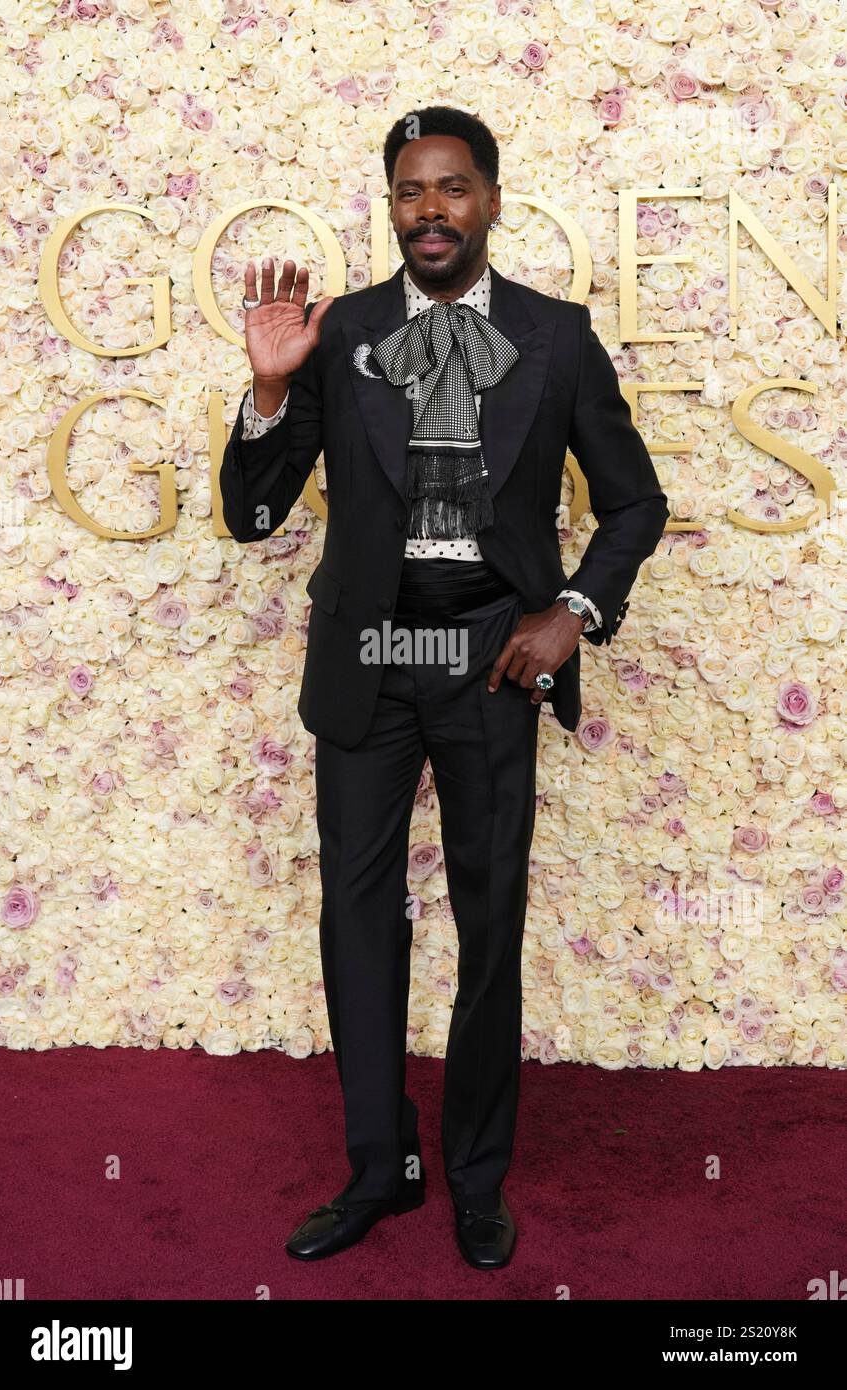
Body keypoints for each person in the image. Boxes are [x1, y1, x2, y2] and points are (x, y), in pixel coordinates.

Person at [219, 105, 670, 1270]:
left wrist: (570, 610)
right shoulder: (341, 330)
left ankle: (476, 1176)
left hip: (487, 661)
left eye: (453, 187)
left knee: (487, 925)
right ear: (392, 203)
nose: (431, 208)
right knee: (356, 920)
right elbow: (250, 515)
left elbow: (634, 503)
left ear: (490, 199)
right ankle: (381, 1169)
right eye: (411, 189)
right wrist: (270, 396)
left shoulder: (557, 337)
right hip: (366, 661)